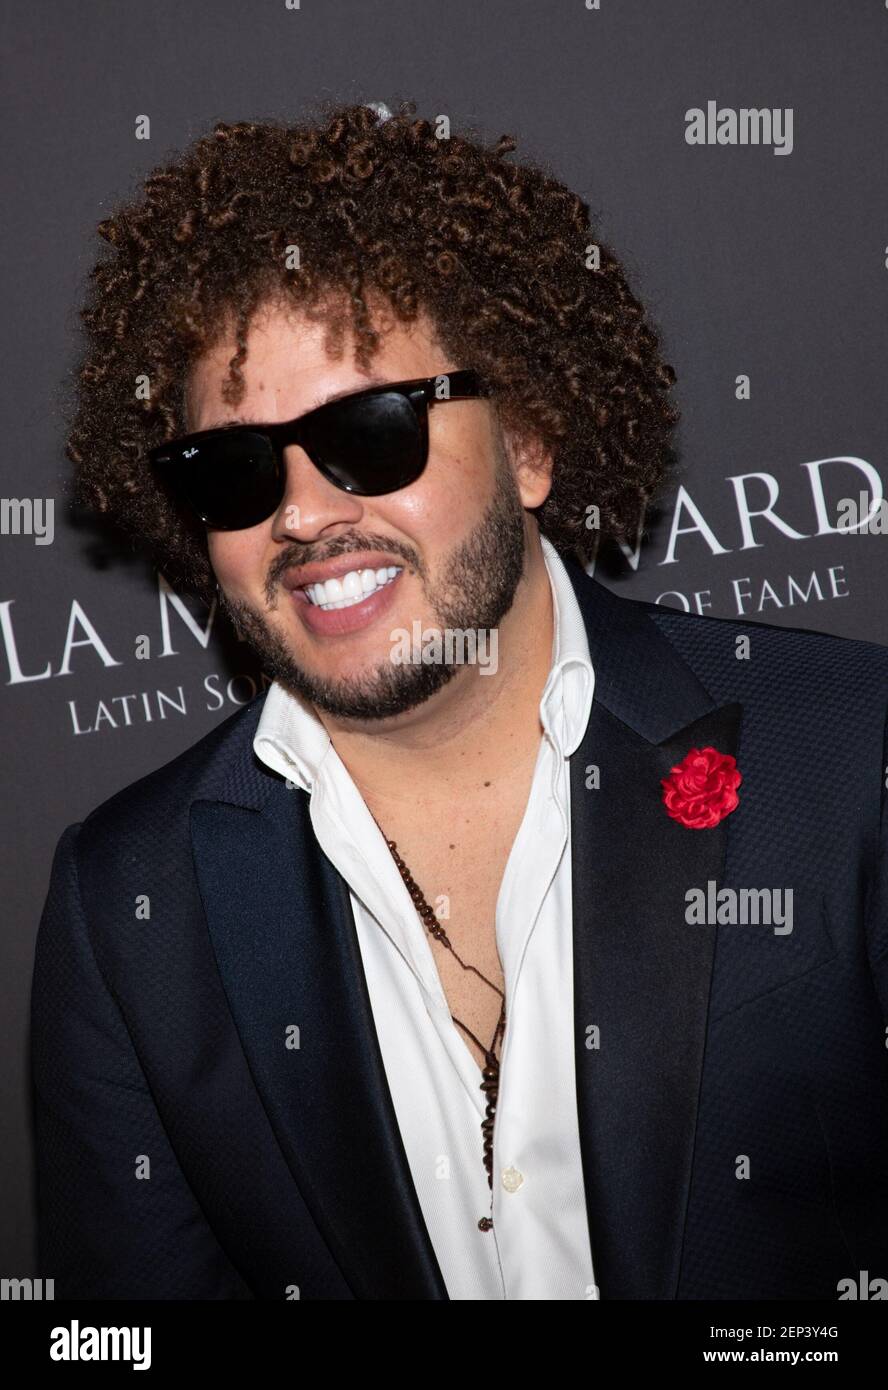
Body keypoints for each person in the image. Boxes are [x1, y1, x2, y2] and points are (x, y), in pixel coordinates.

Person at [32, 100, 888, 1300]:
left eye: (369, 435)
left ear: (530, 440)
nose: (306, 515)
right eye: (232, 468)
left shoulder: (846, 756)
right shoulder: (128, 906)